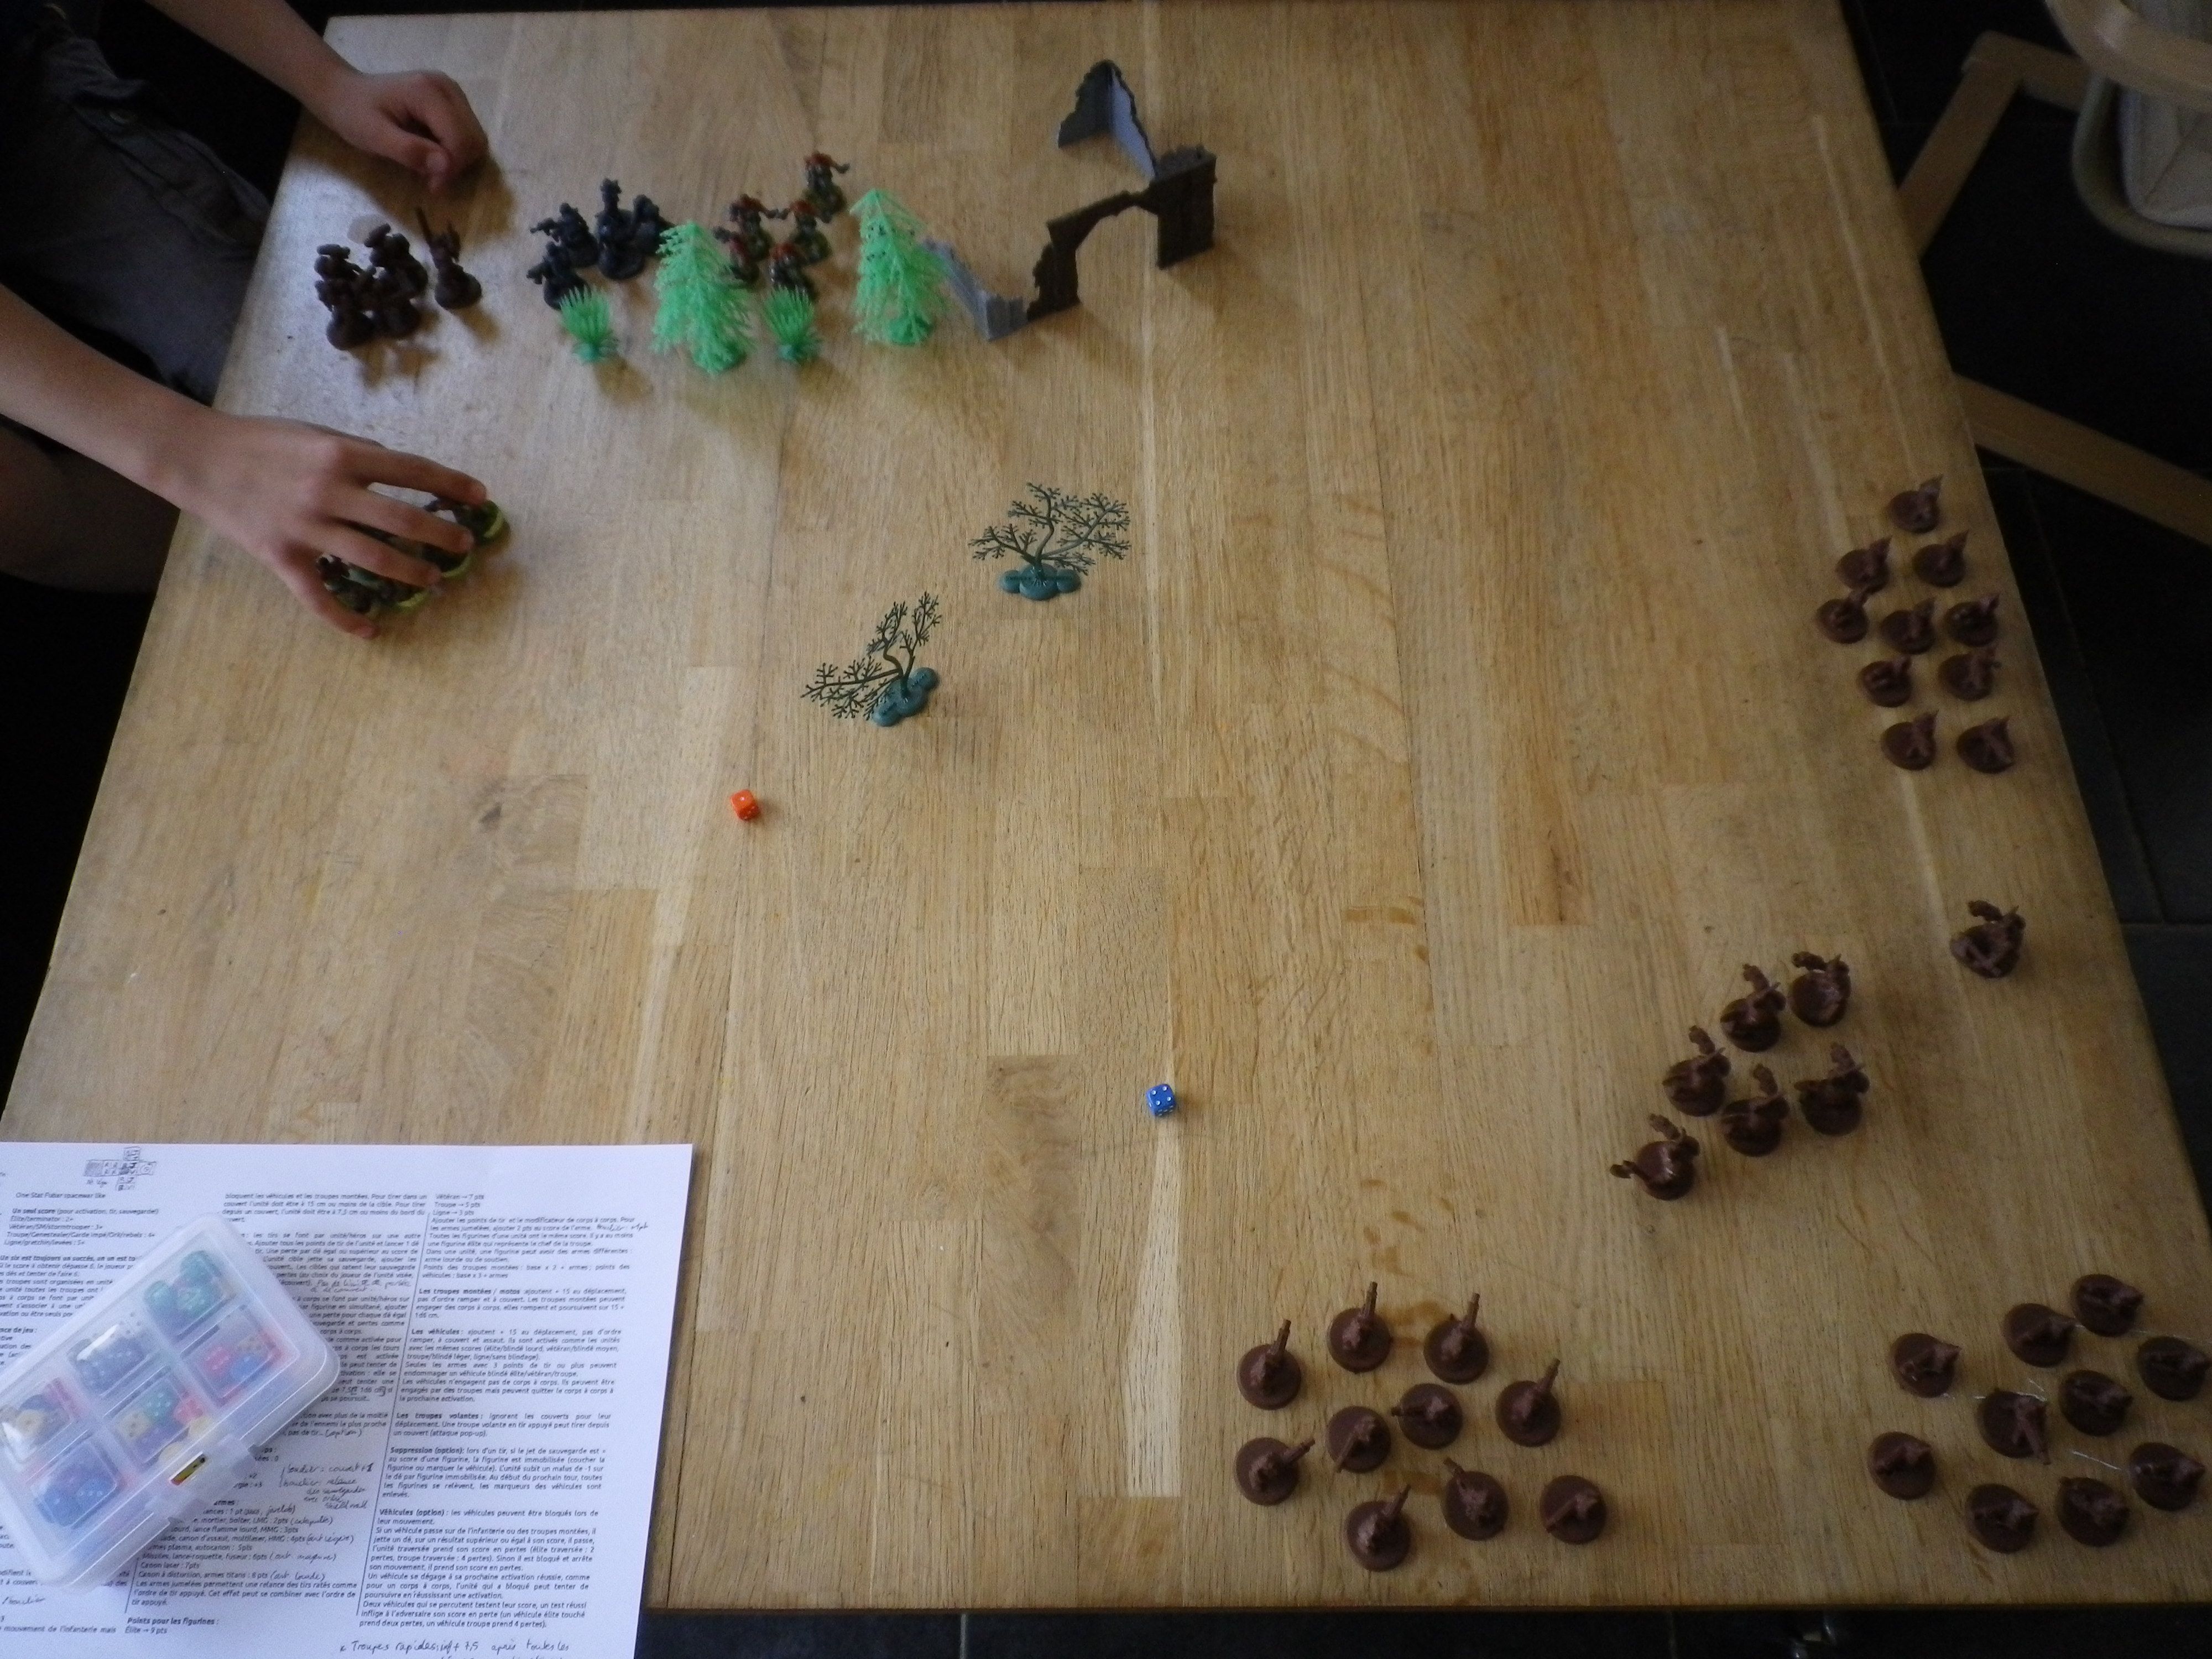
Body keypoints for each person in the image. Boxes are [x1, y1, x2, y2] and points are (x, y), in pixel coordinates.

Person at [1, 0, 489, 636]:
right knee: (20, 511)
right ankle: (260, 591)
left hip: (20, 104)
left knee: (297, 381)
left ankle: (339, 541)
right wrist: (196, 457)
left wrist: (331, 82)